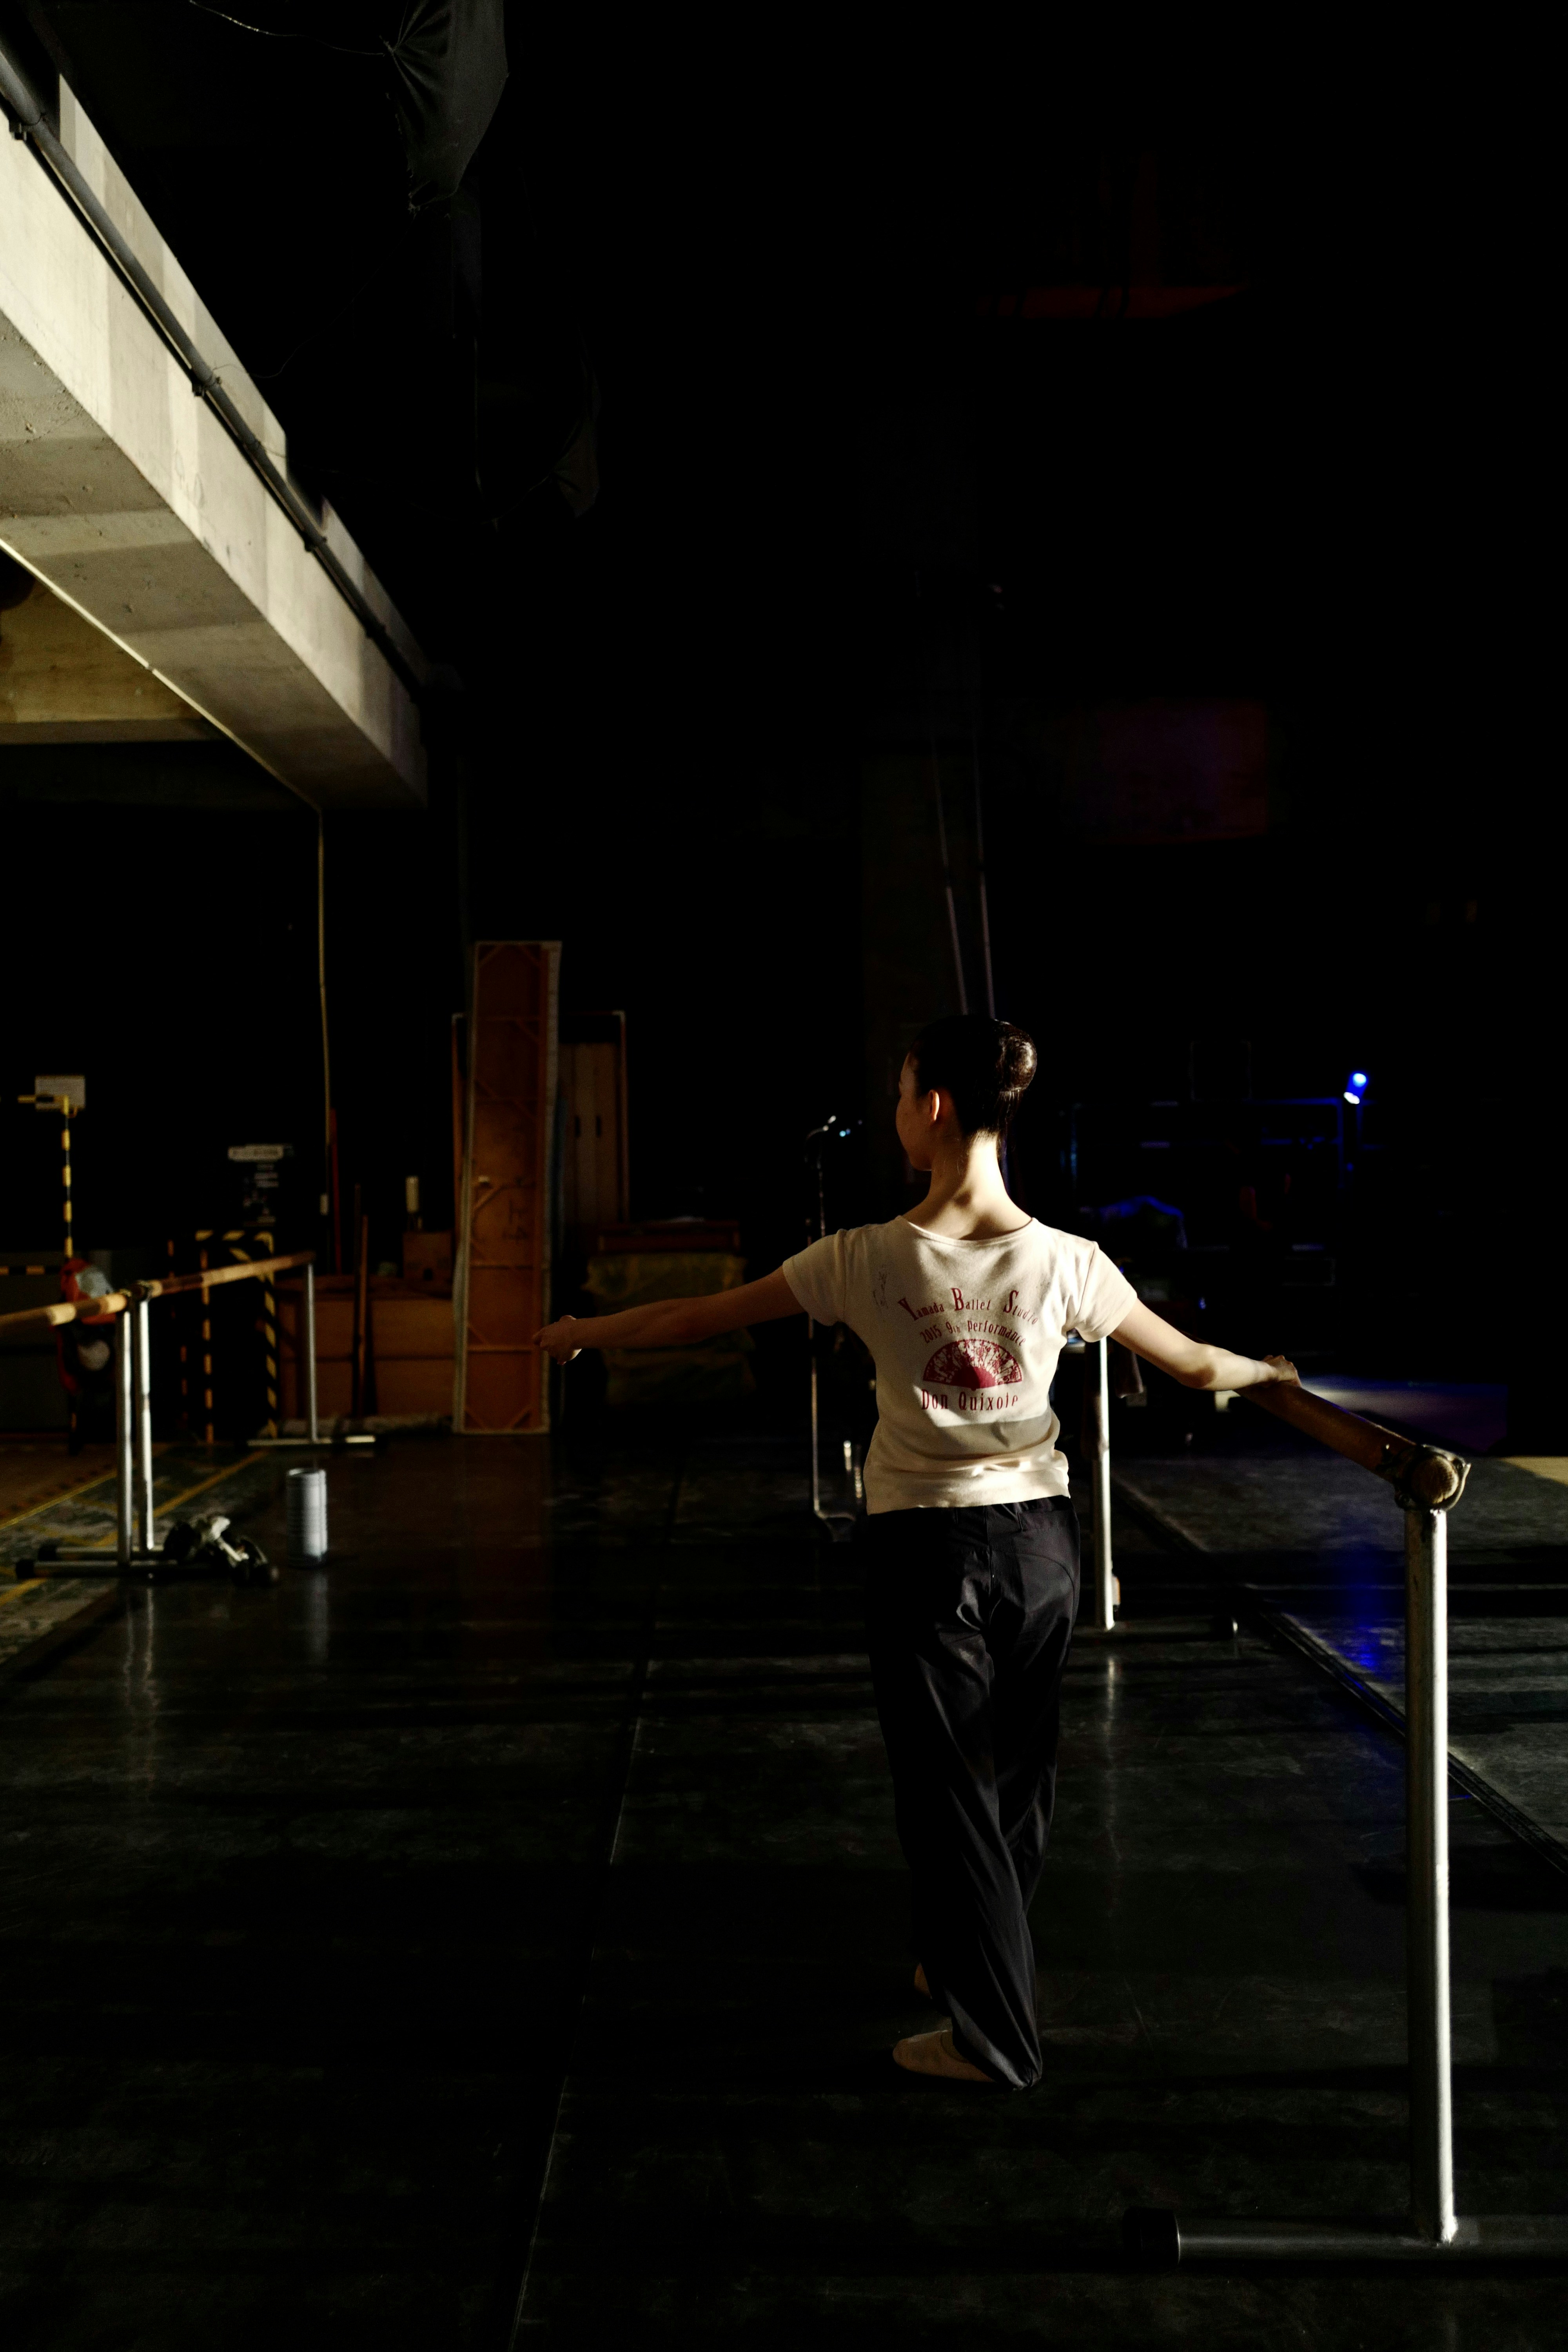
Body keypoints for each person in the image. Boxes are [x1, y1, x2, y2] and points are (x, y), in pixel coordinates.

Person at [536, 1015, 1297, 2090]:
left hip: (927, 1551)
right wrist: (1266, 1374)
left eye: (901, 1094)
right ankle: (960, 1958)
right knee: (1016, 1778)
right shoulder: (1072, 1263)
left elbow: (695, 1320)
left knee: (947, 1791)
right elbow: (1190, 1366)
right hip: (1041, 1544)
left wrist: (583, 1332)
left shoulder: (865, 1258)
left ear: (935, 1107)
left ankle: (993, 2038)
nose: (896, 1113)